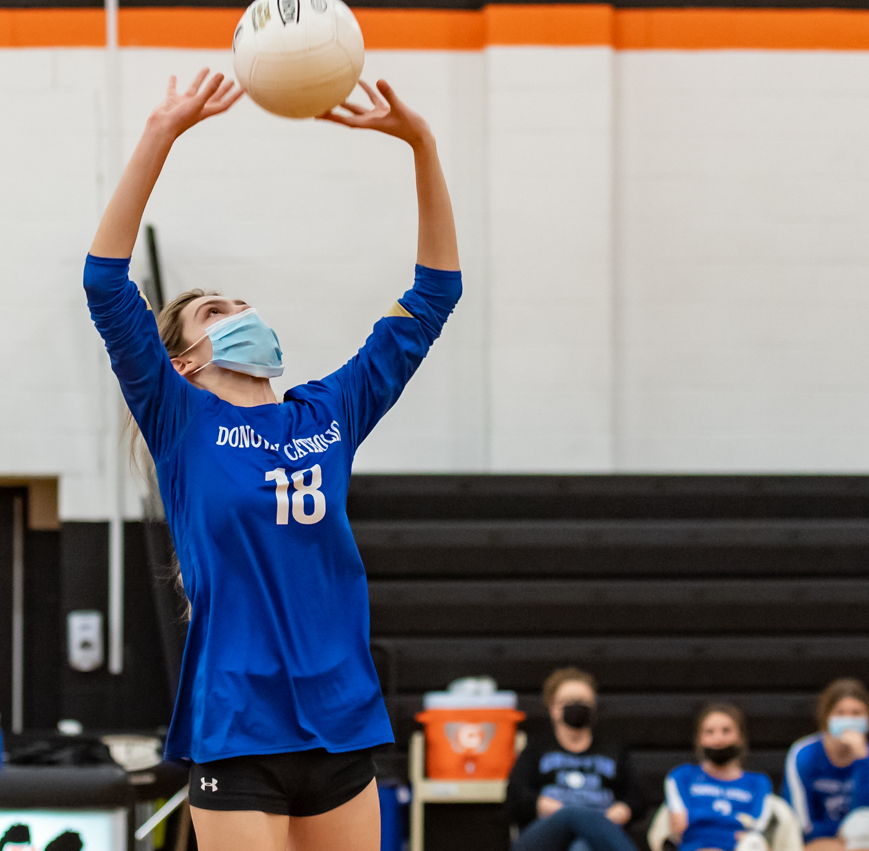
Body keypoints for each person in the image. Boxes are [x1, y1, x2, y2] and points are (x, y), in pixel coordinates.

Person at [84, 69, 461, 851]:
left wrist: (422, 145)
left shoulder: (328, 412)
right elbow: (103, 282)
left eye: (241, 303)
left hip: (340, 716)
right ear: (184, 361)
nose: (241, 312)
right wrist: (160, 133)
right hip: (237, 723)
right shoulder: (180, 416)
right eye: (215, 311)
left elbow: (435, 295)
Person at [506, 668, 641, 851]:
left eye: (583, 702)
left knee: (581, 846)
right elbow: (515, 796)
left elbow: (637, 797)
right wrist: (542, 805)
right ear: (553, 708)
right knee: (572, 814)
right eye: (569, 701)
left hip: (598, 835)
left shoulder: (614, 750)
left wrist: (624, 810)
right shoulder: (536, 749)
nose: (577, 707)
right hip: (545, 836)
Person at [665, 704, 774, 851]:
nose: (718, 739)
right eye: (709, 732)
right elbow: (680, 826)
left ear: (741, 737)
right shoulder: (682, 777)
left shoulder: (758, 782)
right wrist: (734, 823)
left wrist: (700, 818)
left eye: (726, 731)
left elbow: (756, 827)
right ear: (699, 739)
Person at [784, 679, 869, 851]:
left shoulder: (866, 758)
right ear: (827, 716)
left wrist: (862, 762)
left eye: (856, 713)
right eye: (840, 713)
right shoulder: (803, 754)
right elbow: (801, 823)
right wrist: (840, 837)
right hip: (816, 842)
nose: (848, 720)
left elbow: (863, 818)